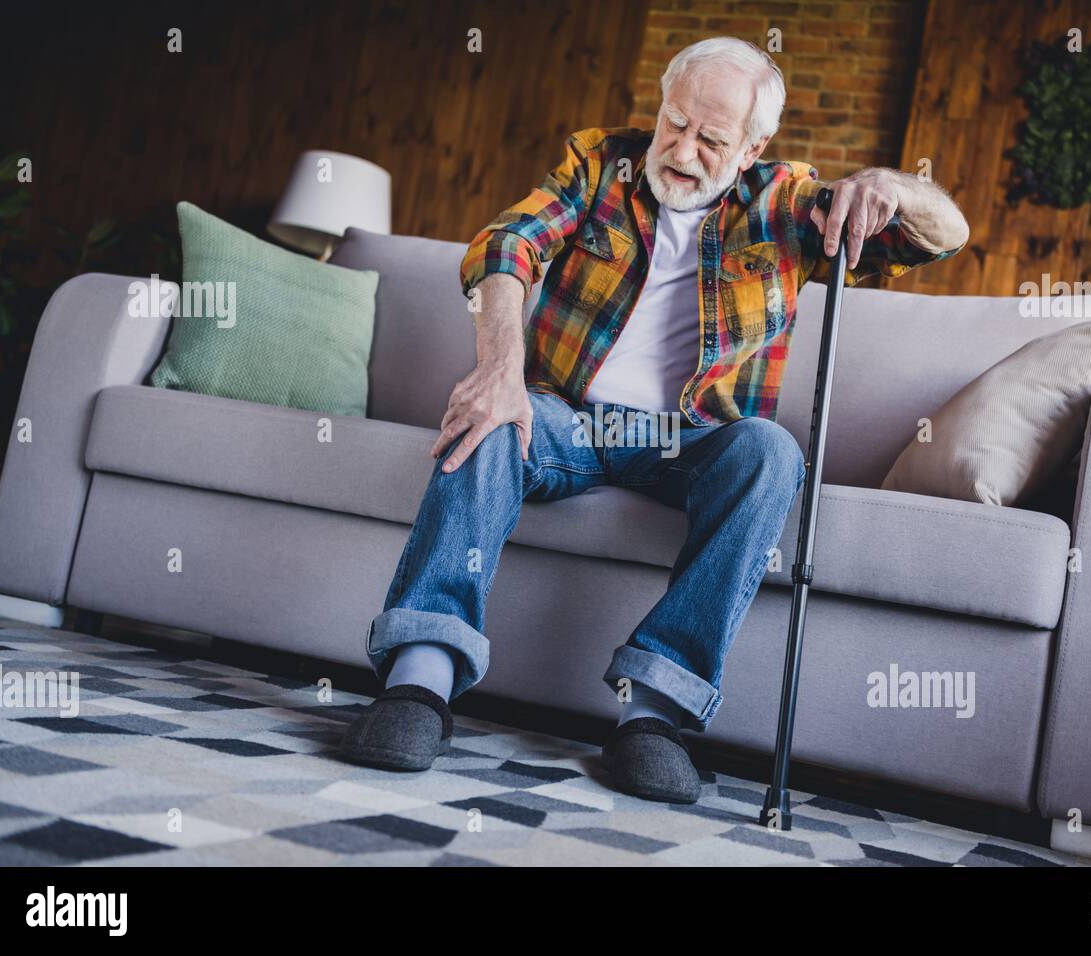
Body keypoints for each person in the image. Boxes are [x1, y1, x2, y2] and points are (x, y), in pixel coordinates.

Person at [338, 36, 969, 803]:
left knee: (771, 453)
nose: (683, 150)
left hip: (684, 439)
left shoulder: (787, 203)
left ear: (751, 149)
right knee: (491, 417)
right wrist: (499, 373)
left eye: (711, 139)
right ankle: (419, 685)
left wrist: (886, 188)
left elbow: (946, 236)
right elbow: (507, 244)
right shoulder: (601, 162)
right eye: (675, 123)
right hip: (568, 419)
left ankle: (654, 714)